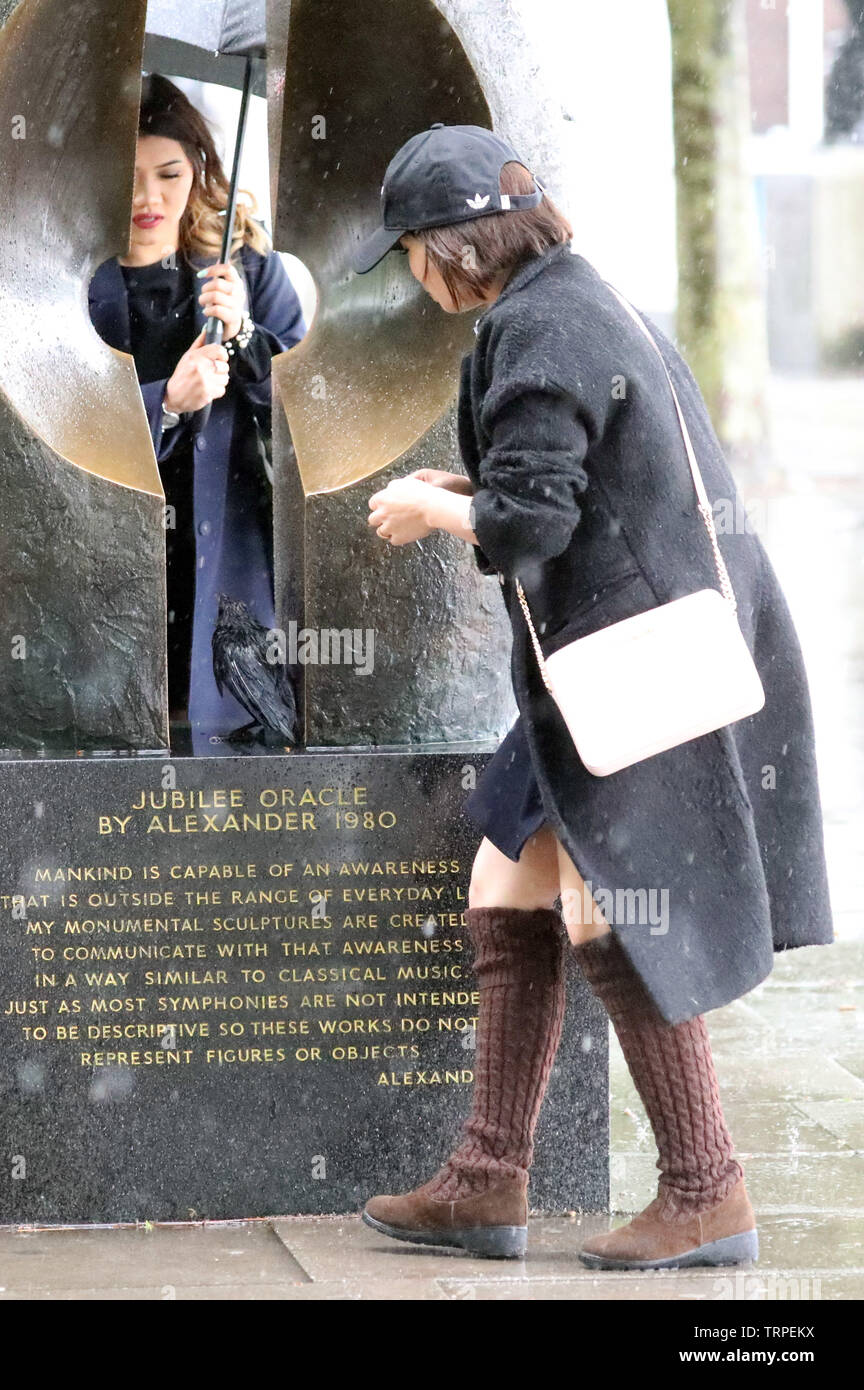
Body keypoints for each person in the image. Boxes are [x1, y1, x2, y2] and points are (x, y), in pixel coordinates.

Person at [351, 123, 834, 1268]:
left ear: (450, 244)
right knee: (505, 880)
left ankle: (705, 1190)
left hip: (632, 674)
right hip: (622, 660)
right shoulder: (572, 297)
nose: (414, 280)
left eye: (412, 253)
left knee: (609, 905)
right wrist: (469, 480)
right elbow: (577, 476)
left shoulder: (537, 325)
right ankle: (484, 1181)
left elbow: (534, 523)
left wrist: (439, 510)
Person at [88, 75, 307, 740]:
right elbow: (57, 419)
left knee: (225, 729)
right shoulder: (76, 275)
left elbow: (306, 406)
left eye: (169, 174)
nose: (147, 197)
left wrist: (242, 332)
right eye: (128, 175)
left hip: (226, 545)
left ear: (200, 170)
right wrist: (166, 404)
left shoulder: (245, 263)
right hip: (114, 554)